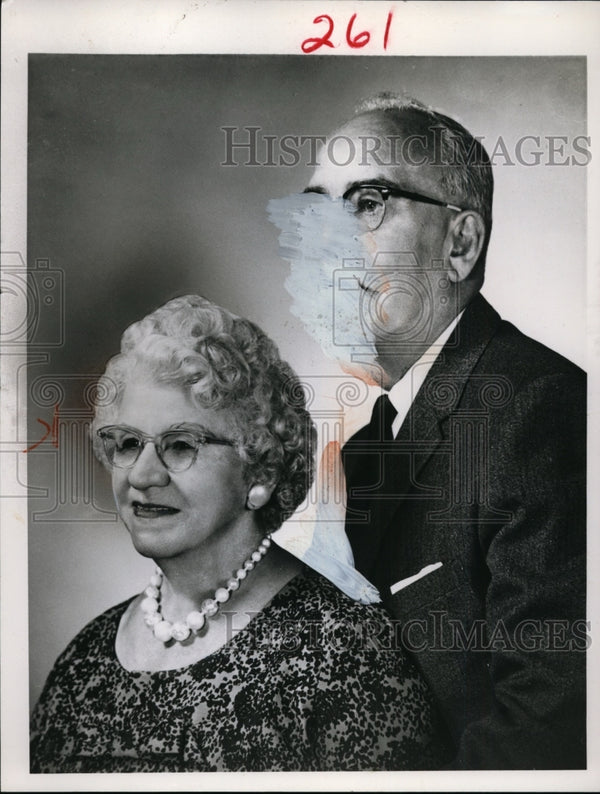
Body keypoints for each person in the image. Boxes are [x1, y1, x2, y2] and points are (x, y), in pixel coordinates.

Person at [30, 294, 451, 773]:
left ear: (260, 473)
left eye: (180, 445)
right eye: (127, 443)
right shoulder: (84, 661)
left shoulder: (343, 653)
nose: (143, 475)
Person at [294, 93, 586, 769]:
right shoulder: (368, 449)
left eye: (367, 202)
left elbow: (554, 723)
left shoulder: (542, 409)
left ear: (460, 244)